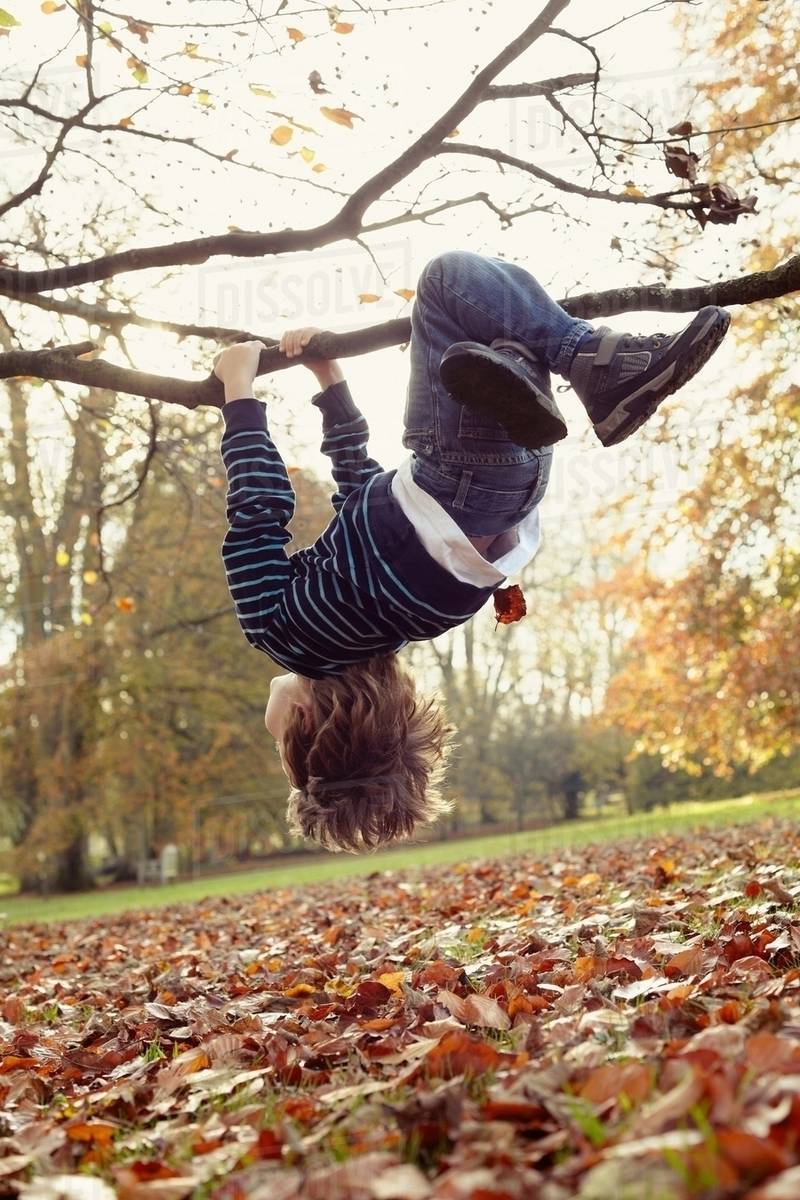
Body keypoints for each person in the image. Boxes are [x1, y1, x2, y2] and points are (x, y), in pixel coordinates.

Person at [213, 249, 730, 853]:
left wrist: (330, 383)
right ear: (302, 723)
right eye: (279, 748)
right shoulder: (277, 628)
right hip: (454, 474)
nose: (269, 732)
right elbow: (257, 509)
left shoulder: (382, 633)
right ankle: (596, 362)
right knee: (447, 282)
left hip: (518, 482)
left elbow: (360, 497)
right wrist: (238, 393)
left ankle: (536, 369)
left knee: (494, 338)